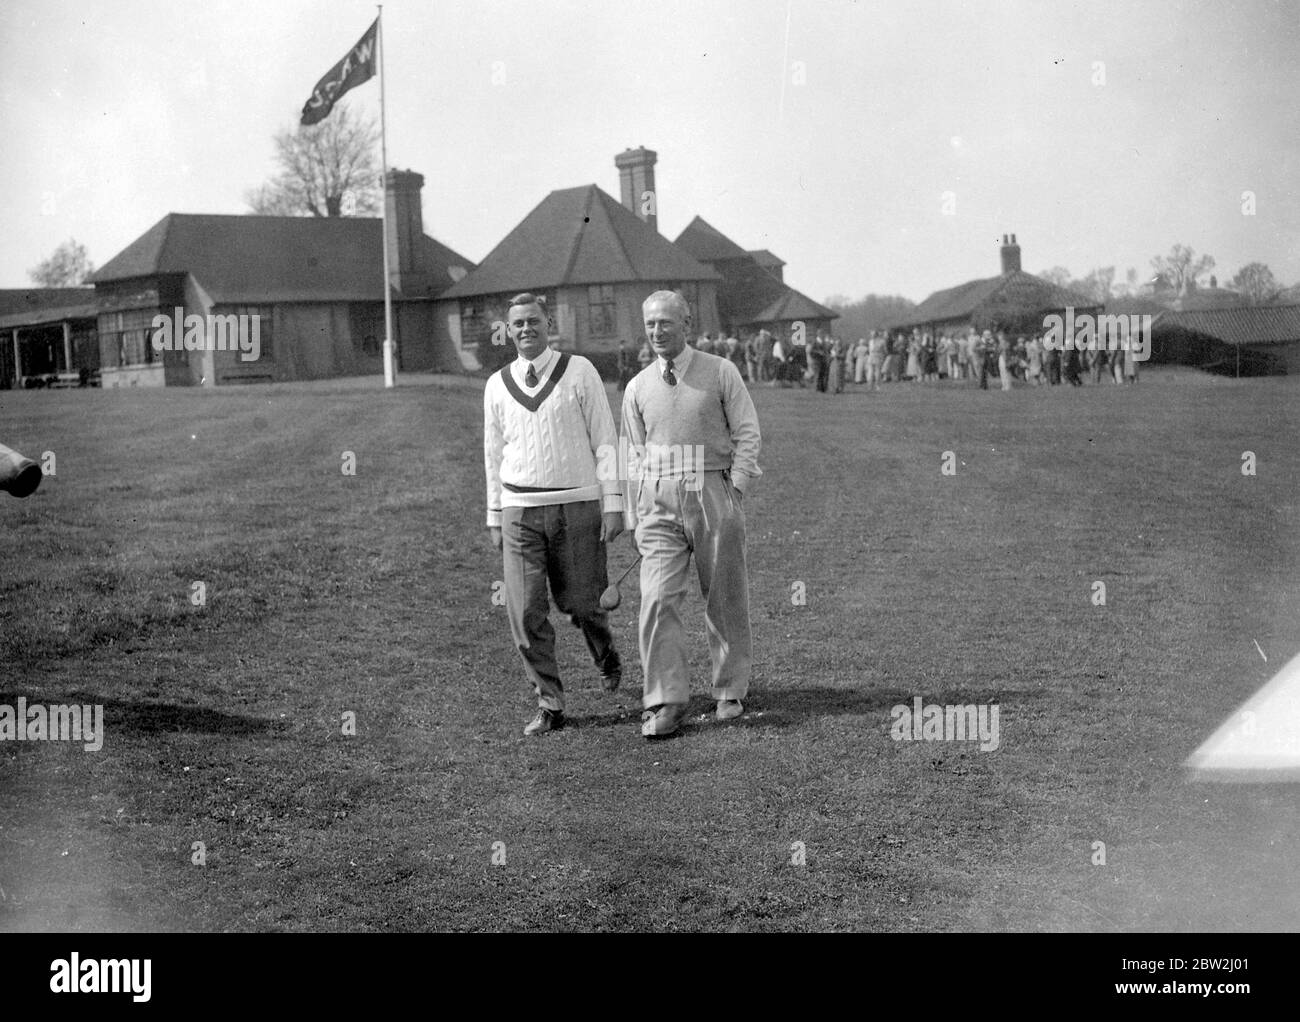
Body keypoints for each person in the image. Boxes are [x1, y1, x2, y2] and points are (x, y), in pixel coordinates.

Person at [483, 294, 626, 736]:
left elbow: (605, 437)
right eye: (517, 324)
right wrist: (493, 511)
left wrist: (614, 501)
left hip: (577, 506)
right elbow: (492, 452)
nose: (526, 330)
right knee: (525, 611)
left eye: (533, 322)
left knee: (582, 604)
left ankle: (604, 651)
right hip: (519, 510)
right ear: (508, 331)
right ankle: (551, 703)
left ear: (549, 325)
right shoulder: (496, 384)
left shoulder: (579, 371)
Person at [621, 290, 761, 739]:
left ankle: (730, 689)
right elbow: (632, 454)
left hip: (712, 489)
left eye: (665, 323)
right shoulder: (637, 386)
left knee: (722, 595)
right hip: (657, 499)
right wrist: (633, 511)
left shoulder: (721, 371)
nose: (657, 332)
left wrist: (734, 489)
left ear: (687, 324)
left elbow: (747, 433)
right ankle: (665, 700)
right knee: (657, 598)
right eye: (650, 325)